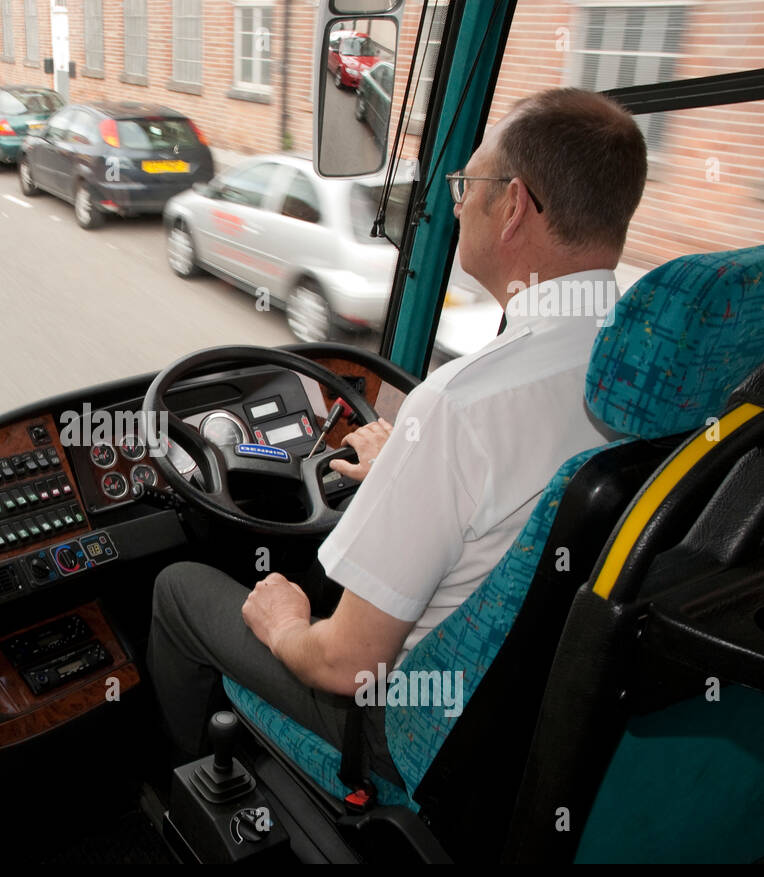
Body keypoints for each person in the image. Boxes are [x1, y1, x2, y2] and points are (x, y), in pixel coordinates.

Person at [147, 88, 649, 781]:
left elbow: (347, 666)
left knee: (177, 587)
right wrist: (405, 465)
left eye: (466, 184)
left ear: (513, 207)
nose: (454, 201)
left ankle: (188, 793)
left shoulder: (458, 407)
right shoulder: (657, 376)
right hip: (557, 708)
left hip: (413, 732)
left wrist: (286, 623)